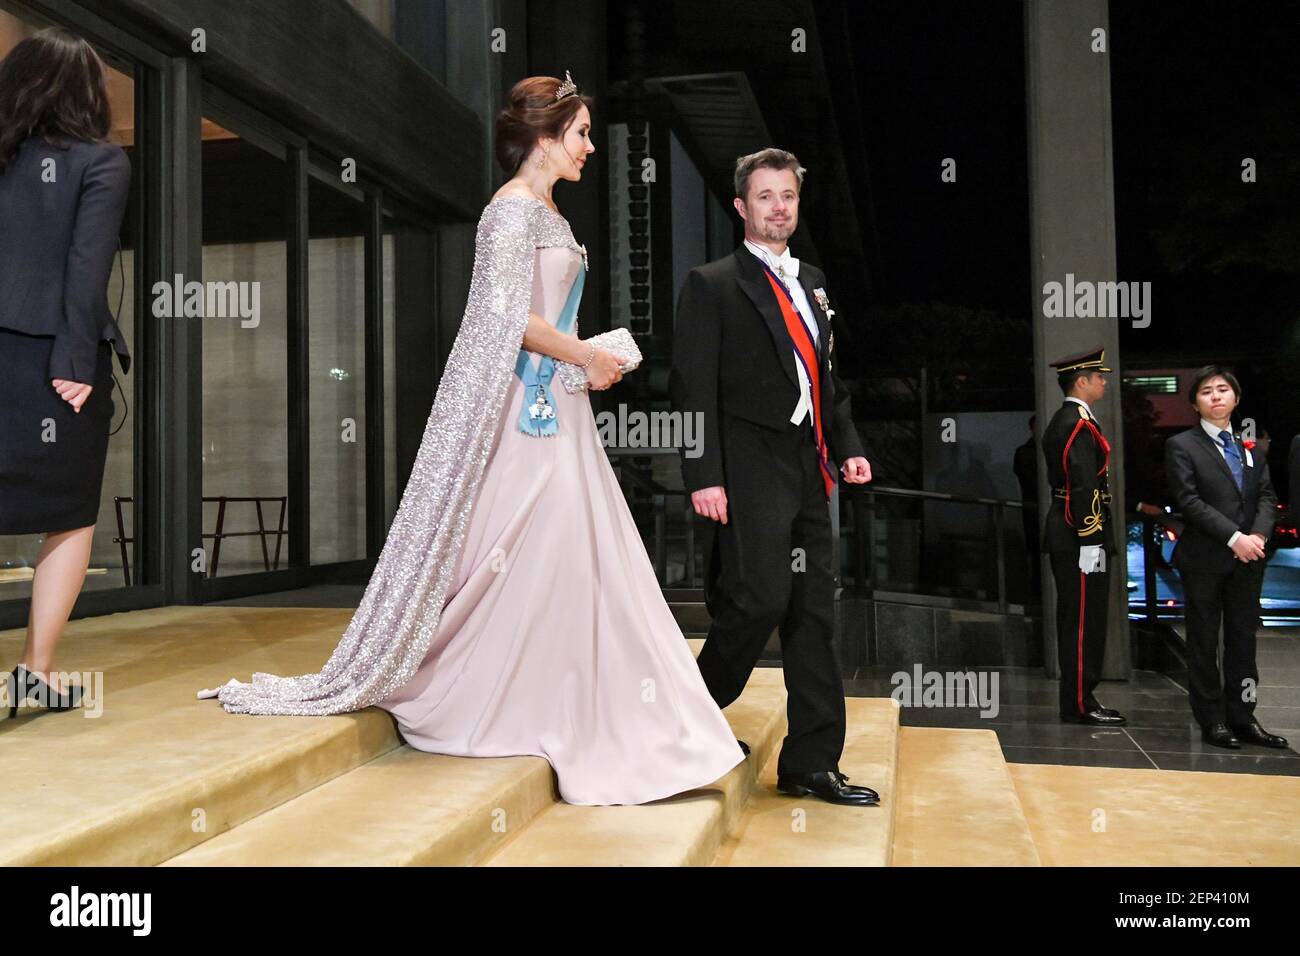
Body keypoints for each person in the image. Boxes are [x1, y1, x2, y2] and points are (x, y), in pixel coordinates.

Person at [200, 73, 746, 806]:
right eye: (581, 134)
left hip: (558, 406)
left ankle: (590, 699)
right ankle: (521, 695)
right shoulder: (510, 212)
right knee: (533, 546)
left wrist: (590, 359)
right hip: (524, 412)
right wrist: (585, 355)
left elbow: (543, 316)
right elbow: (503, 320)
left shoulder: (548, 211)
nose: (589, 147)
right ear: (547, 138)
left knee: (576, 553)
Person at [669, 148, 878, 806]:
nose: (779, 207)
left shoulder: (812, 281)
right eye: (765, 196)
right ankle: (684, 721)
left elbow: (827, 381)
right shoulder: (714, 283)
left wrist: (847, 445)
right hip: (746, 464)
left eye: (787, 195)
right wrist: (703, 473)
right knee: (757, 599)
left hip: (808, 464)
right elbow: (691, 388)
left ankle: (812, 763)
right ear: (741, 206)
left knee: (814, 614)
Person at [1, 28, 132, 718]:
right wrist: (77, 362)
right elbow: (87, 267)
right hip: (54, 359)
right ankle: (35, 670)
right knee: (70, 515)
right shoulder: (100, 162)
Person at [1164, 366, 1287, 750]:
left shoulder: (1249, 445)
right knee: (1202, 640)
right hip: (1204, 557)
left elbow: (1266, 496)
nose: (1215, 396)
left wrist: (1258, 536)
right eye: (1206, 391)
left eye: (1222, 390)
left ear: (1235, 398)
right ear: (1196, 403)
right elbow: (1189, 501)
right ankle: (1212, 719)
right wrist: (1234, 537)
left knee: (1243, 640)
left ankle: (1244, 716)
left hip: (1249, 557)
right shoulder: (1182, 445)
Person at [1039, 347, 1126, 725]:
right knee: (1078, 622)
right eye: (1099, 376)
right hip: (1077, 533)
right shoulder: (1073, 423)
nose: (1104, 382)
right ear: (1082, 381)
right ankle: (1077, 702)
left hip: (1076, 531)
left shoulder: (1077, 420)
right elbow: (1081, 484)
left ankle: (1083, 697)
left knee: (1087, 618)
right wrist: (1090, 538)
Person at [1012, 415, 1041, 594]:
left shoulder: (1025, 452)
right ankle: (1036, 590)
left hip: (1034, 507)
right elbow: (1029, 480)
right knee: (1036, 551)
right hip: (1034, 508)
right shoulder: (1025, 452)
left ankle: (1036, 589)